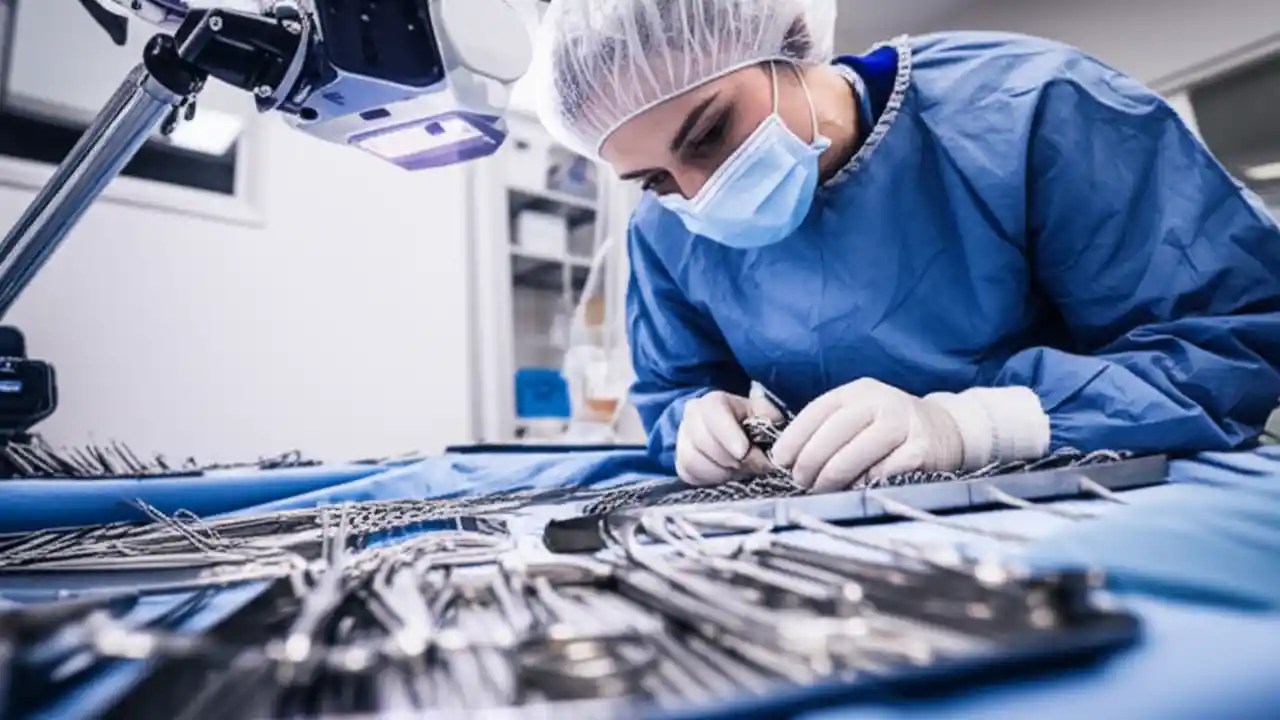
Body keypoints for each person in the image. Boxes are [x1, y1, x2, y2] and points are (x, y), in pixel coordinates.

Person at [530, 0, 1280, 492]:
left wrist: (974, 427)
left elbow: (1226, 348)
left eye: (712, 132)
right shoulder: (667, 232)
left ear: (784, 44)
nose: (699, 191)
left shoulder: (1033, 109)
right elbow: (675, 390)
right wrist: (698, 424)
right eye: (656, 178)